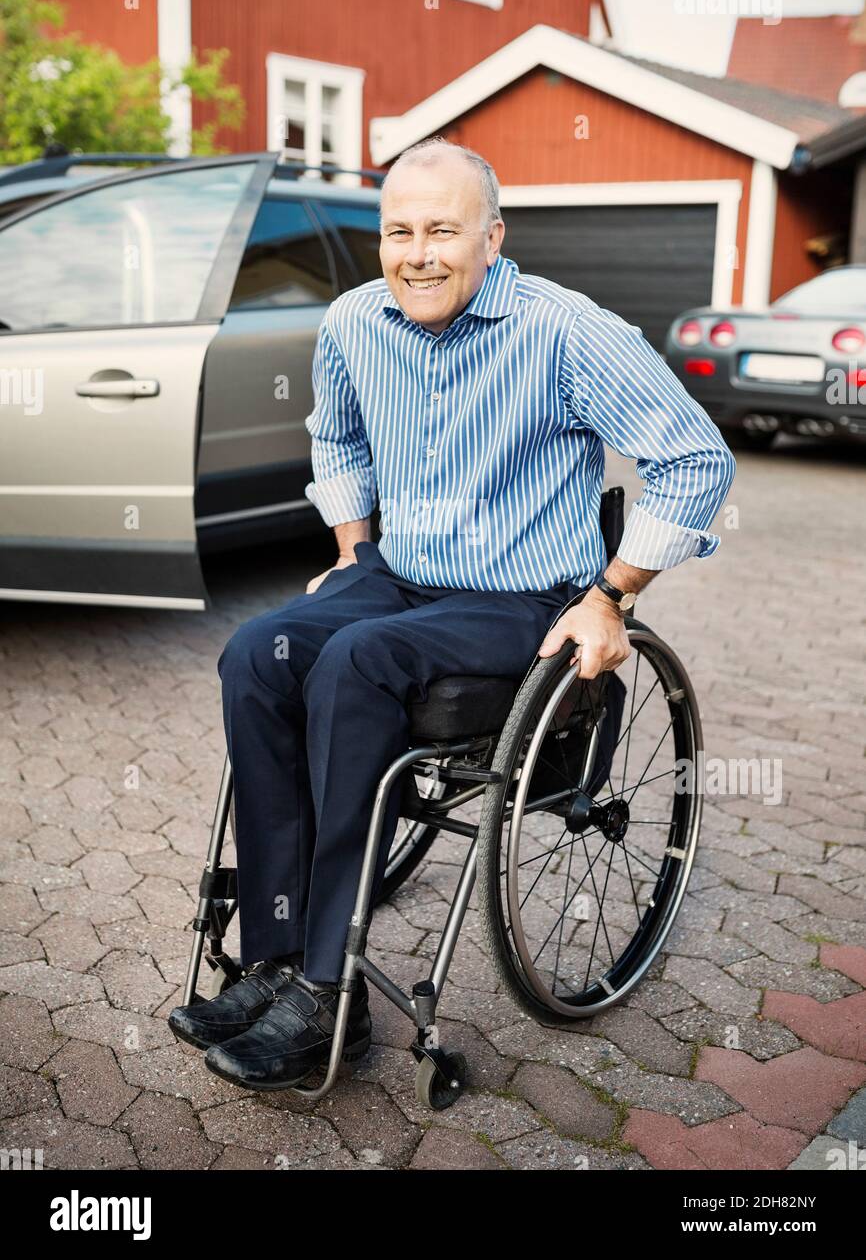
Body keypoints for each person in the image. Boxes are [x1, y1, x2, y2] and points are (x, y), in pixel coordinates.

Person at [168, 137, 735, 1089]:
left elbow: (696, 462)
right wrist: (351, 553)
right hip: (399, 574)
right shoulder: (354, 321)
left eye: (443, 230)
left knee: (356, 664)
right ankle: (269, 954)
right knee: (257, 652)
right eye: (399, 231)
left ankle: (321, 994)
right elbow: (336, 437)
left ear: (493, 238)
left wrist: (613, 596)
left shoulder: (564, 331)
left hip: (527, 598)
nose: (418, 252)